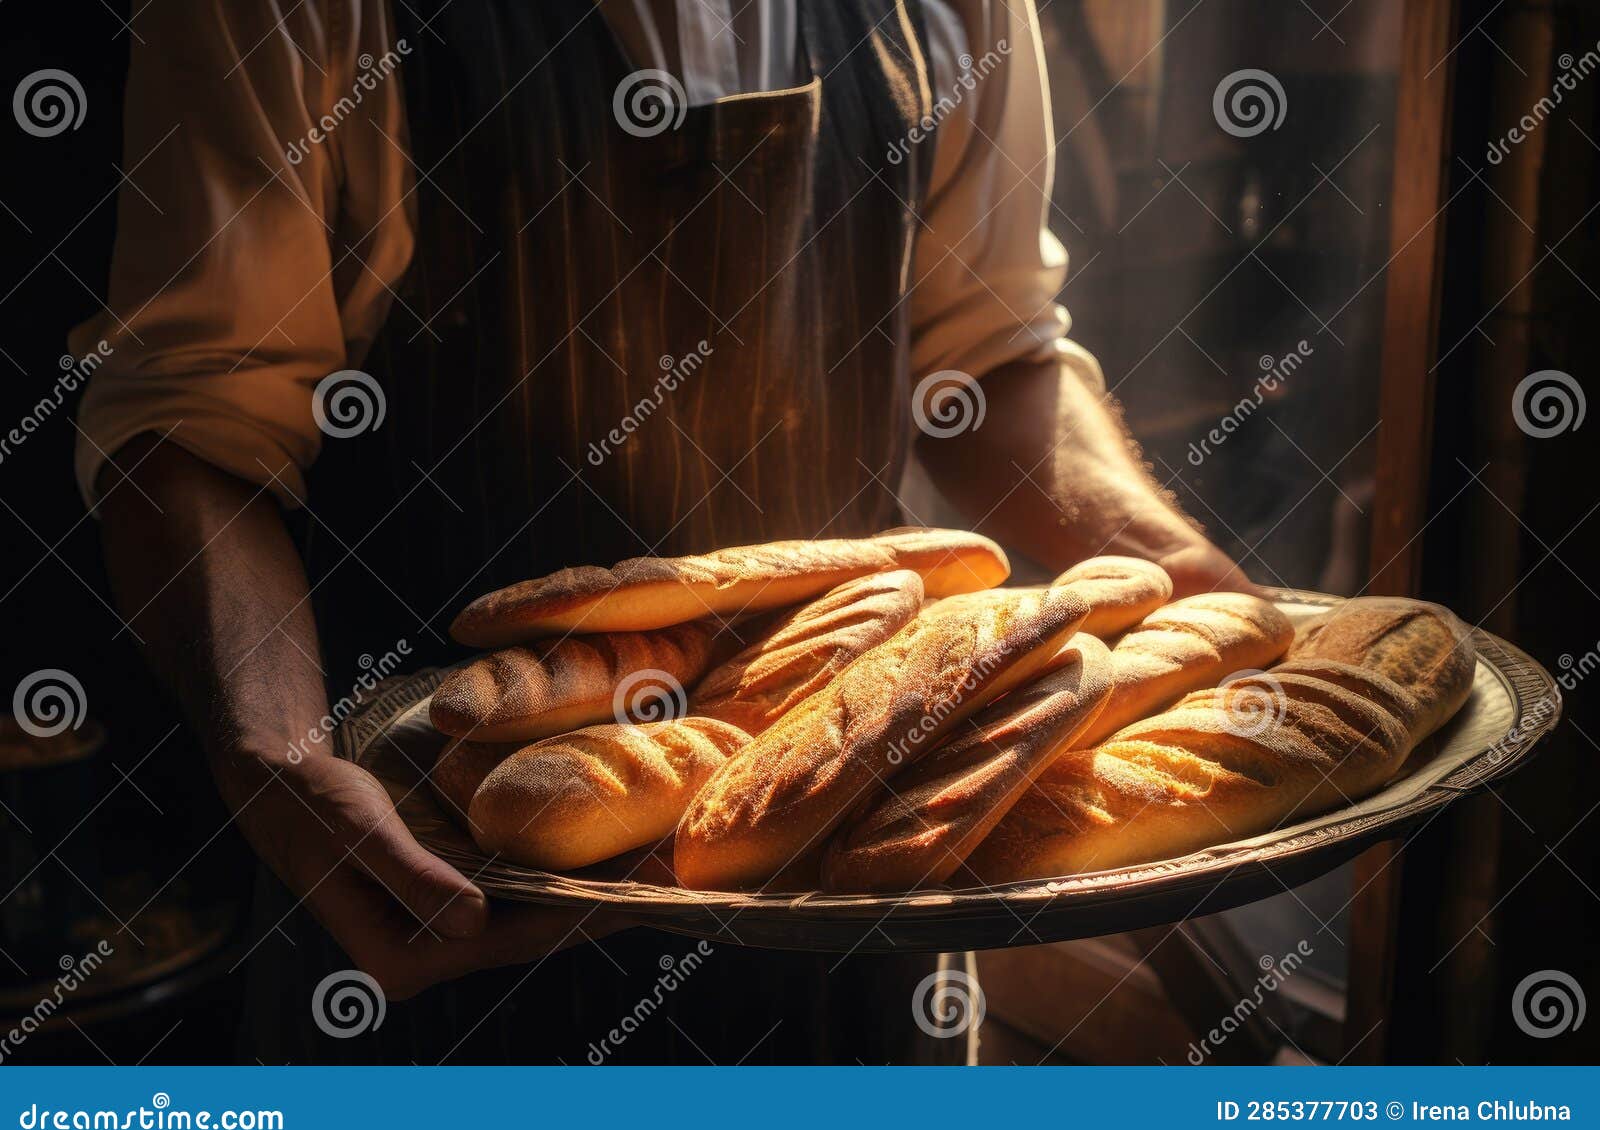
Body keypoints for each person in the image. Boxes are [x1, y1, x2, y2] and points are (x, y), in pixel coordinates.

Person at [73, 0, 1250, 1062]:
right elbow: (195, 417)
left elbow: (985, 349)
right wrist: (274, 752)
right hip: (431, 889)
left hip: (855, 902)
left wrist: (1170, 565)